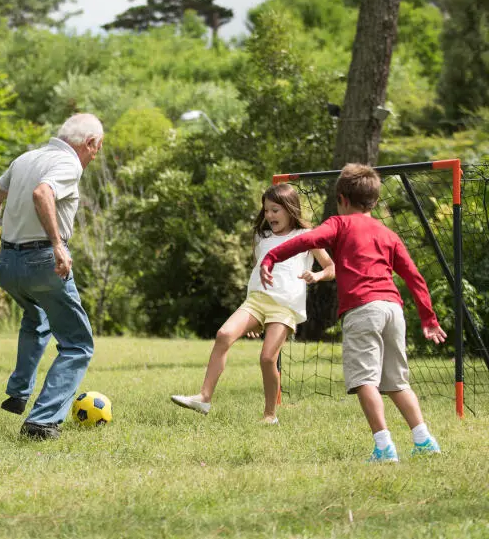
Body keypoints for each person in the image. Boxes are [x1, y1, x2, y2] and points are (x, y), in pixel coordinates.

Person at [259, 163, 447, 462]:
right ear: (372, 200)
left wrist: (271, 256)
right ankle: (424, 439)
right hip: (393, 309)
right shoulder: (388, 234)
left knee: (364, 381)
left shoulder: (339, 223)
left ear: (342, 199)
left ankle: (384, 447)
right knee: (397, 381)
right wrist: (429, 318)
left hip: (364, 309)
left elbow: (306, 239)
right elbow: (414, 277)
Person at [0, 114, 103, 441]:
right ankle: (42, 421)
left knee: (35, 314)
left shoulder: (26, 158)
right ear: (90, 144)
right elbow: (43, 194)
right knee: (78, 344)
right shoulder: (68, 165)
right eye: (99, 148)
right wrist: (57, 245)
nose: (96, 155)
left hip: (7, 264)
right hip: (41, 263)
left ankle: (18, 392)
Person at [171, 183, 335, 424]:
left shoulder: (306, 237)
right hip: (256, 301)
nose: (269, 215)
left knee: (268, 358)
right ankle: (204, 398)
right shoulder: (261, 236)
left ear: (290, 210)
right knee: (223, 334)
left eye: (275, 210)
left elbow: (332, 268)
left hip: (284, 306)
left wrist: (317, 275)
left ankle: (270, 415)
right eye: (266, 210)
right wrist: (256, 321)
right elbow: (259, 270)